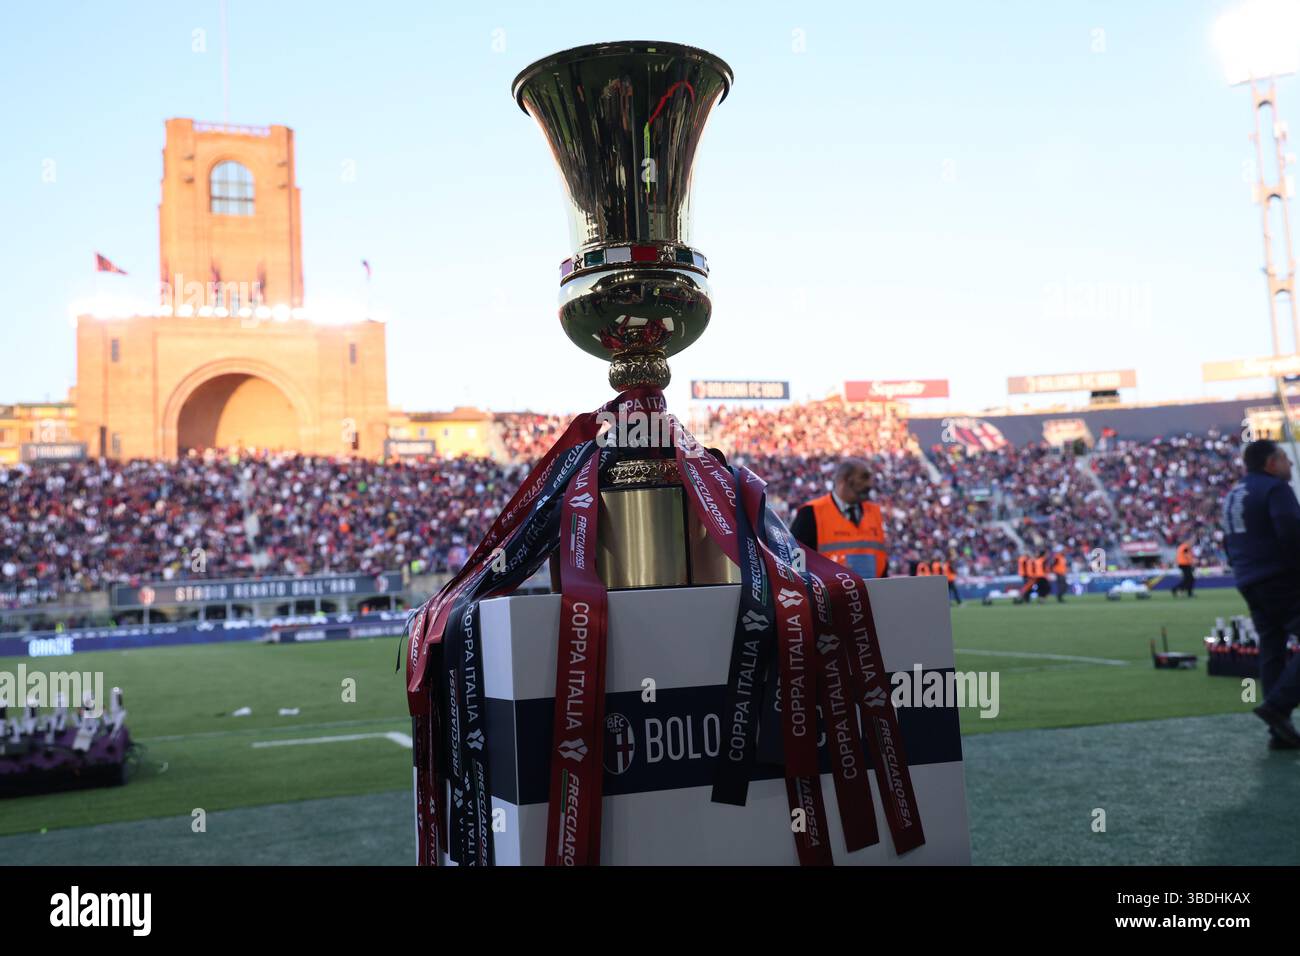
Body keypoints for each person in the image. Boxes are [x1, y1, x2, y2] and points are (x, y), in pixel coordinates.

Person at [1222, 439, 1300, 749]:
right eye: (1285, 459)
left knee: (1272, 649)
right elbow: (1291, 531)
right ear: (1271, 463)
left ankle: (1278, 730)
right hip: (1280, 578)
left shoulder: (1233, 494)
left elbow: (1229, 542)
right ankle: (1278, 707)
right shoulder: (1275, 489)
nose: (1290, 465)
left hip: (1249, 579)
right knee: (1274, 647)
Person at [790, 458, 888, 577]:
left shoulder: (874, 512)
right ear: (844, 480)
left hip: (875, 592)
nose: (869, 484)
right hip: (830, 593)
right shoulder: (811, 512)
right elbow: (795, 563)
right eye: (864, 477)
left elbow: (881, 558)